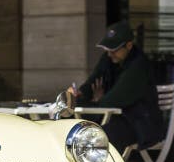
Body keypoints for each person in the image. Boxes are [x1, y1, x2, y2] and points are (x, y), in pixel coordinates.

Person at [69, 21, 165, 152]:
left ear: (129, 45)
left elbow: (111, 100)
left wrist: (90, 102)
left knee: (101, 137)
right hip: (115, 116)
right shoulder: (109, 59)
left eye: (114, 50)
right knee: (67, 123)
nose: (109, 54)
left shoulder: (138, 66)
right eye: (107, 49)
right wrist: (79, 95)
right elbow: (93, 81)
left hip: (140, 123)